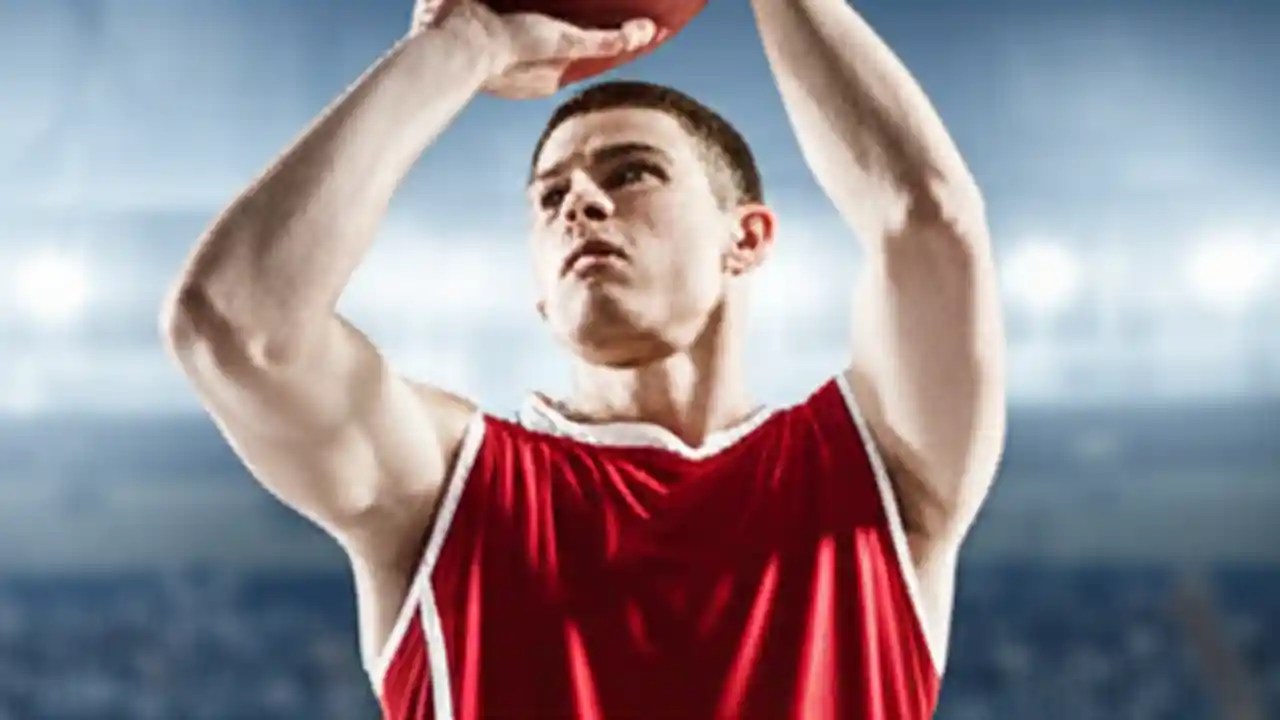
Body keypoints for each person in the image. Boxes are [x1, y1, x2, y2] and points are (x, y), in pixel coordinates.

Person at [161, 0, 1007, 717]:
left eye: (631, 173)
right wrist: (459, 46)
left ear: (745, 239)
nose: (581, 205)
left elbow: (929, 220)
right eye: (551, 196)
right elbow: (236, 324)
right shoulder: (445, 489)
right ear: (539, 289)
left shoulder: (877, 469)